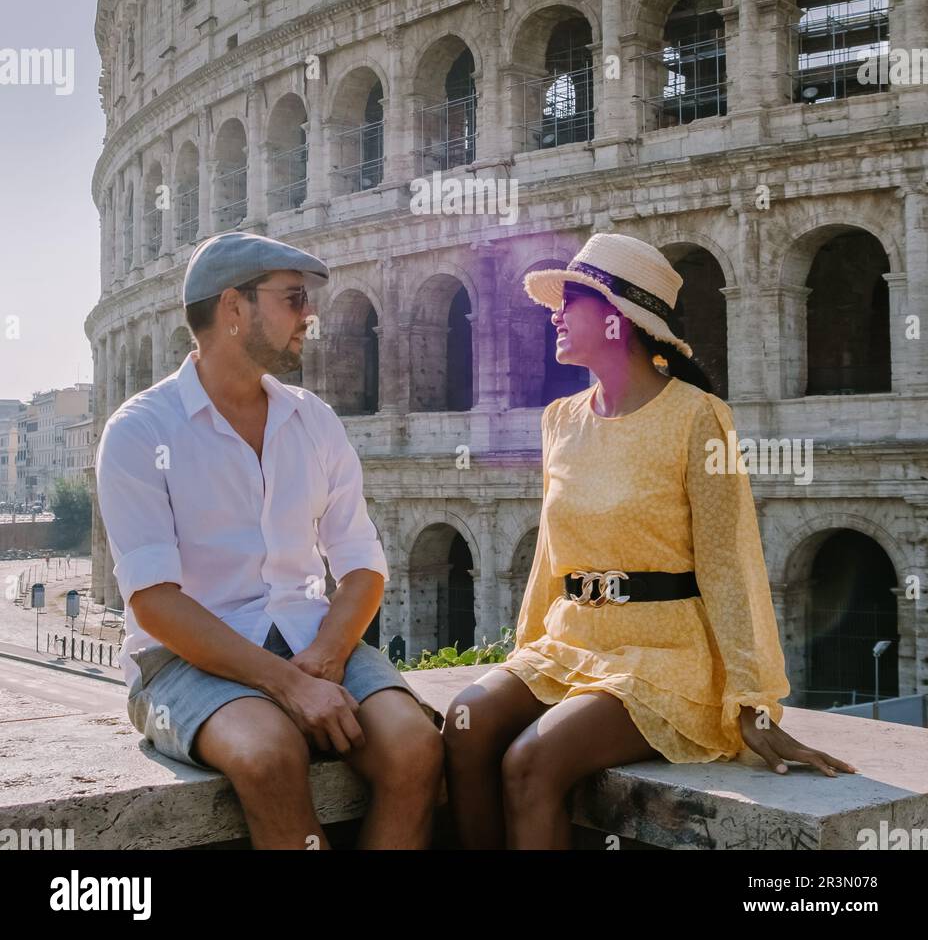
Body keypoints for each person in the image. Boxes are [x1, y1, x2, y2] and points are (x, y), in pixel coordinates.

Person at [442, 232, 858, 850]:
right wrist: (526, 655)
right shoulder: (561, 419)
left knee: (530, 762)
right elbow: (550, 558)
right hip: (571, 642)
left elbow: (729, 561)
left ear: (617, 319)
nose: (555, 314)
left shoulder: (698, 417)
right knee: (463, 724)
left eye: (571, 300)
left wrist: (752, 697)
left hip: (662, 655)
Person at [96, 230, 443, 850]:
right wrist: (288, 685)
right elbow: (154, 601)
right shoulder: (139, 431)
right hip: (183, 659)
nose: (309, 315)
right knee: (268, 755)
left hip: (313, 641)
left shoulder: (313, 419)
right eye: (292, 299)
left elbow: (362, 564)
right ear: (233, 309)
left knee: (416, 747)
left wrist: (328, 657)